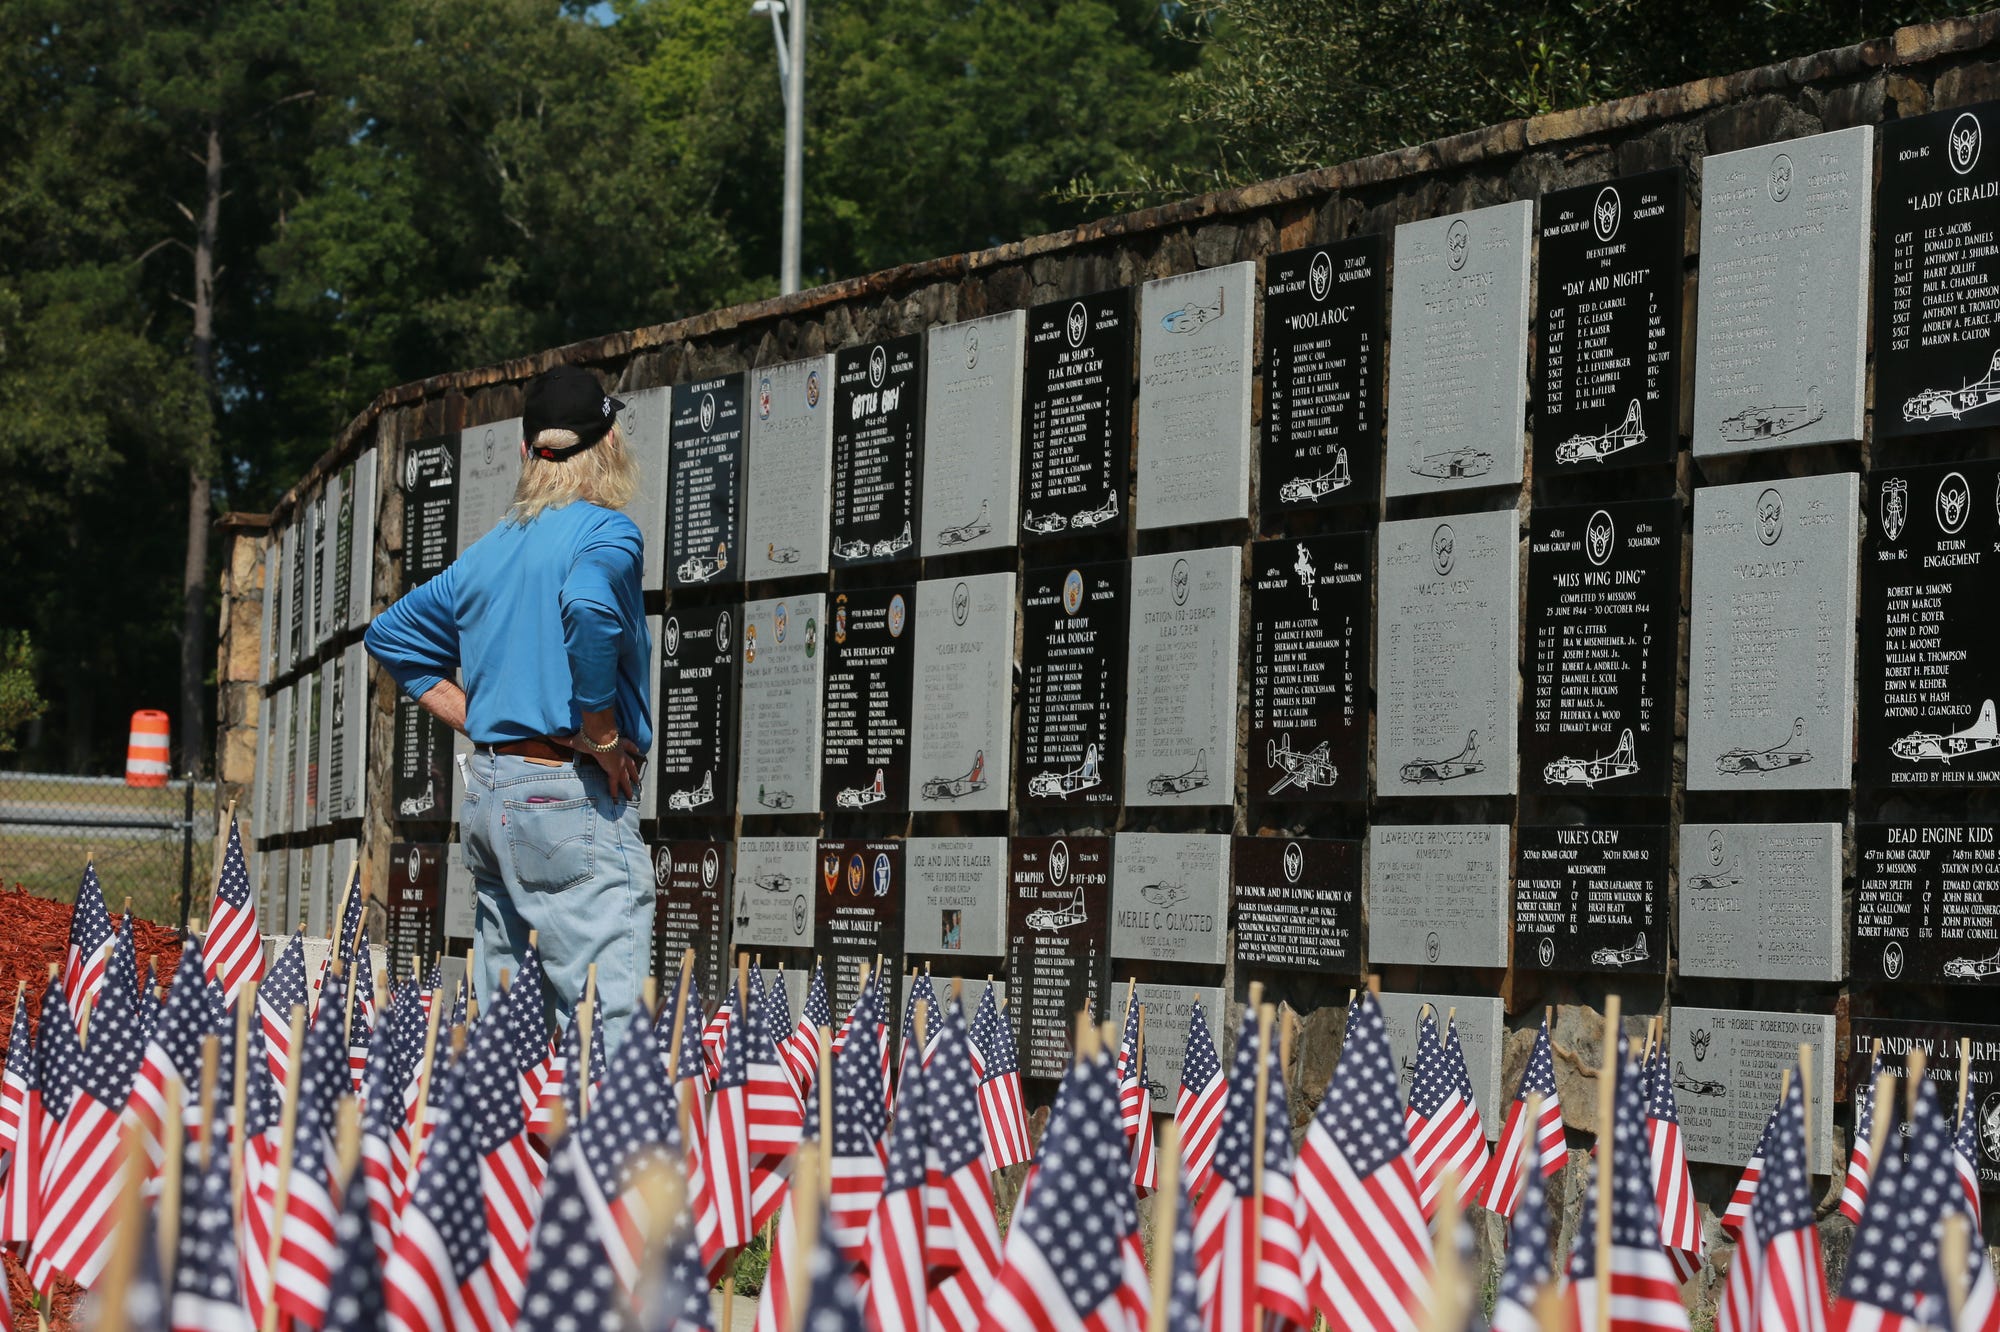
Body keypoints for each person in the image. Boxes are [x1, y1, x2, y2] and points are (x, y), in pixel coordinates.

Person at [366, 364, 652, 1048]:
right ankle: (606, 1156)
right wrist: (602, 734)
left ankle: (513, 1157)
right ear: (608, 443)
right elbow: (586, 606)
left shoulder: (488, 552)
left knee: (508, 1034)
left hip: (492, 798)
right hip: (564, 800)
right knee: (608, 1029)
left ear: (526, 453)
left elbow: (391, 635)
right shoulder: (606, 534)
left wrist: (482, 717)